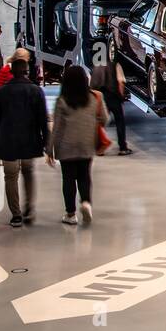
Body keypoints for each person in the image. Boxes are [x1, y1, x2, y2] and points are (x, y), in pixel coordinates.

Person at [0, 57, 49, 227]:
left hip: (7, 141)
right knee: (28, 172)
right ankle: (29, 208)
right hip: (29, 139)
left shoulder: (1, 92)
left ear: (12, 72)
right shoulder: (36, 91)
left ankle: (16, 214)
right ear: (26, 71)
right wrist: (46, 141)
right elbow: (42, 119)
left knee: (10, 176)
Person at [47, 64, 106, 226]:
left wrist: (49, 150)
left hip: (66, 147)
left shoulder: (62, 101)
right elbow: (105, 119)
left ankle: (70, 214)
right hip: (87, 144)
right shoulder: (94, 99)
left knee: (68, 179)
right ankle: (86, 202)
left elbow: (57, 127)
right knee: (85, 176)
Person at [90, 57, 131, 156]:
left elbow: (91, 84)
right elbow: (120, 82)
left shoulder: (95, 66)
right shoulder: (115, 64)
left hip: (100, 97)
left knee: (100, 123)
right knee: (119, 121)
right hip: (113, 96)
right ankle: (122, 148)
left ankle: (99, 148)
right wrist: (121, 96)